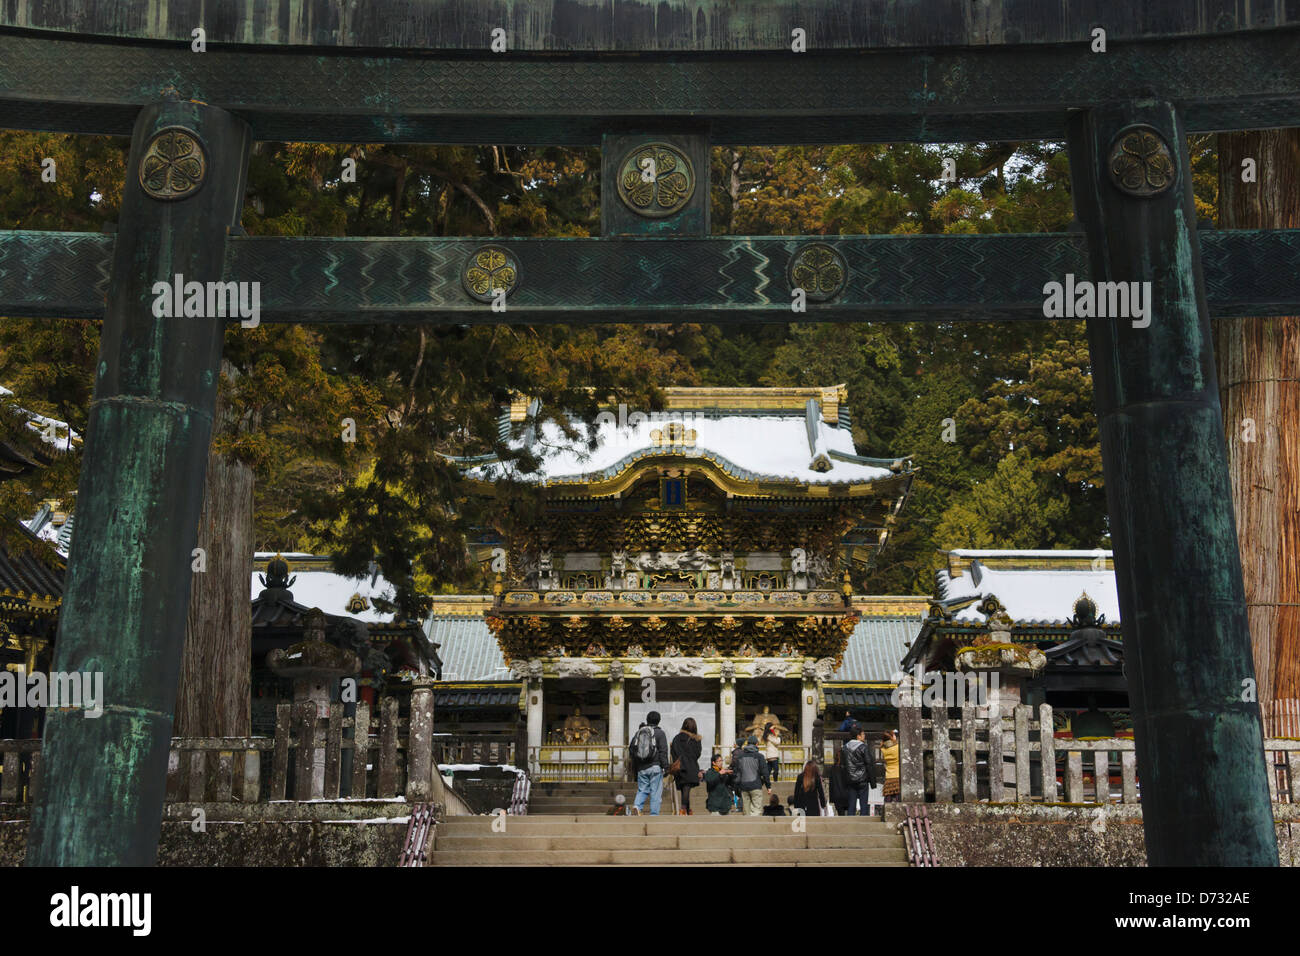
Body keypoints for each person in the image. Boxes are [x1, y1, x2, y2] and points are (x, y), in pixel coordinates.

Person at [628, 711, 669, 815]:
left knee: (642, 790)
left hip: (642, 768)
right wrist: (666, 767)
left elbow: (631, 749)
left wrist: (637, 765)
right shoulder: (660, 733)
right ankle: (654, 814)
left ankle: (637, 806)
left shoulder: (639, 733)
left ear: (647, 720)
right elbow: (663, 752)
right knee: (655, 792)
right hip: (655, 767)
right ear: (659, 721)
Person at [671, 717, 703, 815]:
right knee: (687, 787)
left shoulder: (677, 738)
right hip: (691, 766)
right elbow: (698, 754)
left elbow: (673, 752)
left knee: (684, 787)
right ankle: (683, 809)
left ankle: (687, 809)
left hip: (680, 766)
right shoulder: (696, 739)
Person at [841, 723, 876, 816]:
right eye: (863, 734)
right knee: (863, 804)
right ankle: (863, 823)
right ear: (858, 736)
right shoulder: (863, 747)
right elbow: (869, 764)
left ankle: (850, 823)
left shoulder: (845, 748)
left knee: (851, 804)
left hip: (850, 779)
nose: (864, 736)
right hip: (862, 779)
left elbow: (843, 765)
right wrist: (873, 782)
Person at [734, 734, 771, 815]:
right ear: (757, 744)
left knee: (746, 813)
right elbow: (765, 772)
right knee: (756, 811)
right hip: (756, 785)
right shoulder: (759, 756)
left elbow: (737, 773)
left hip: (743, 787)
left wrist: (737, 787)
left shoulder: (740, 756)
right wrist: (768, 786)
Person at [881, 730, 901, 804]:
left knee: (888, 797)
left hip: (889, 775)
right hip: (898, 774)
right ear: (892, 737)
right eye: (894, 735)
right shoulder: (898, 747)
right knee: (898, 797)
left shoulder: (883, 749)